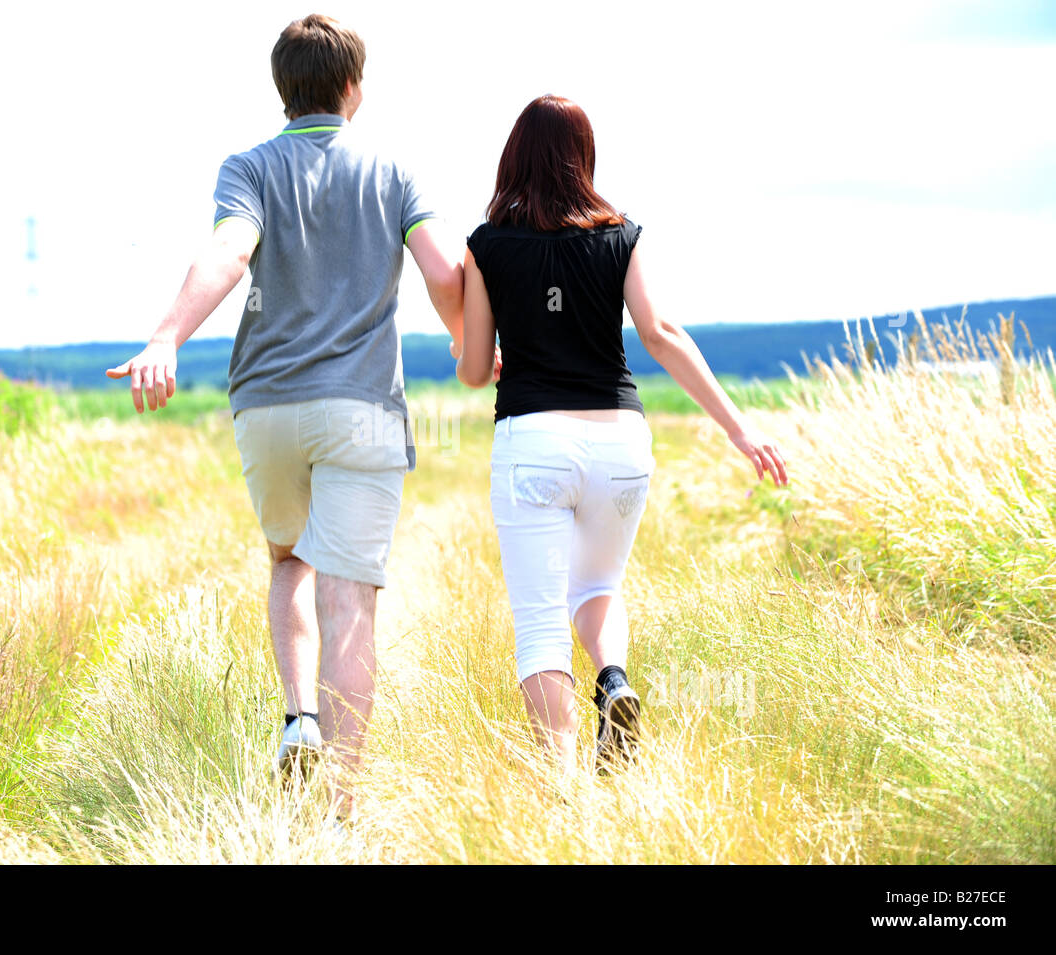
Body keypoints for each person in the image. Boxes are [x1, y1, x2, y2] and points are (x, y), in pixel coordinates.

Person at [107, 14, 465, 817]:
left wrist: (166, 334)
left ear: (283, 90)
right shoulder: (395, 170)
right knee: (351, 601)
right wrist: (472, 340)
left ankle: (299, 717)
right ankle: (340, 803)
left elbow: (232, 252)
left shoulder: (249, 168)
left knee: (289, 561)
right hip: (365, 410)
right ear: (353, 88)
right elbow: (446, 271)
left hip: (268, 407)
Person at [456, 95, 788, 770]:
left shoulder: (486, 246)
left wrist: (490, 355)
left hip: (535, 443)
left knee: (540, 624)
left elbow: (470, 368)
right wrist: (739, 427)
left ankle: (564, 788)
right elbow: (661, 335)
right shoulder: (622, 235)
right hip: (621, 443)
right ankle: (614, 681)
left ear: (514, 154)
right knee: (598, 587)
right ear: (586, 156)